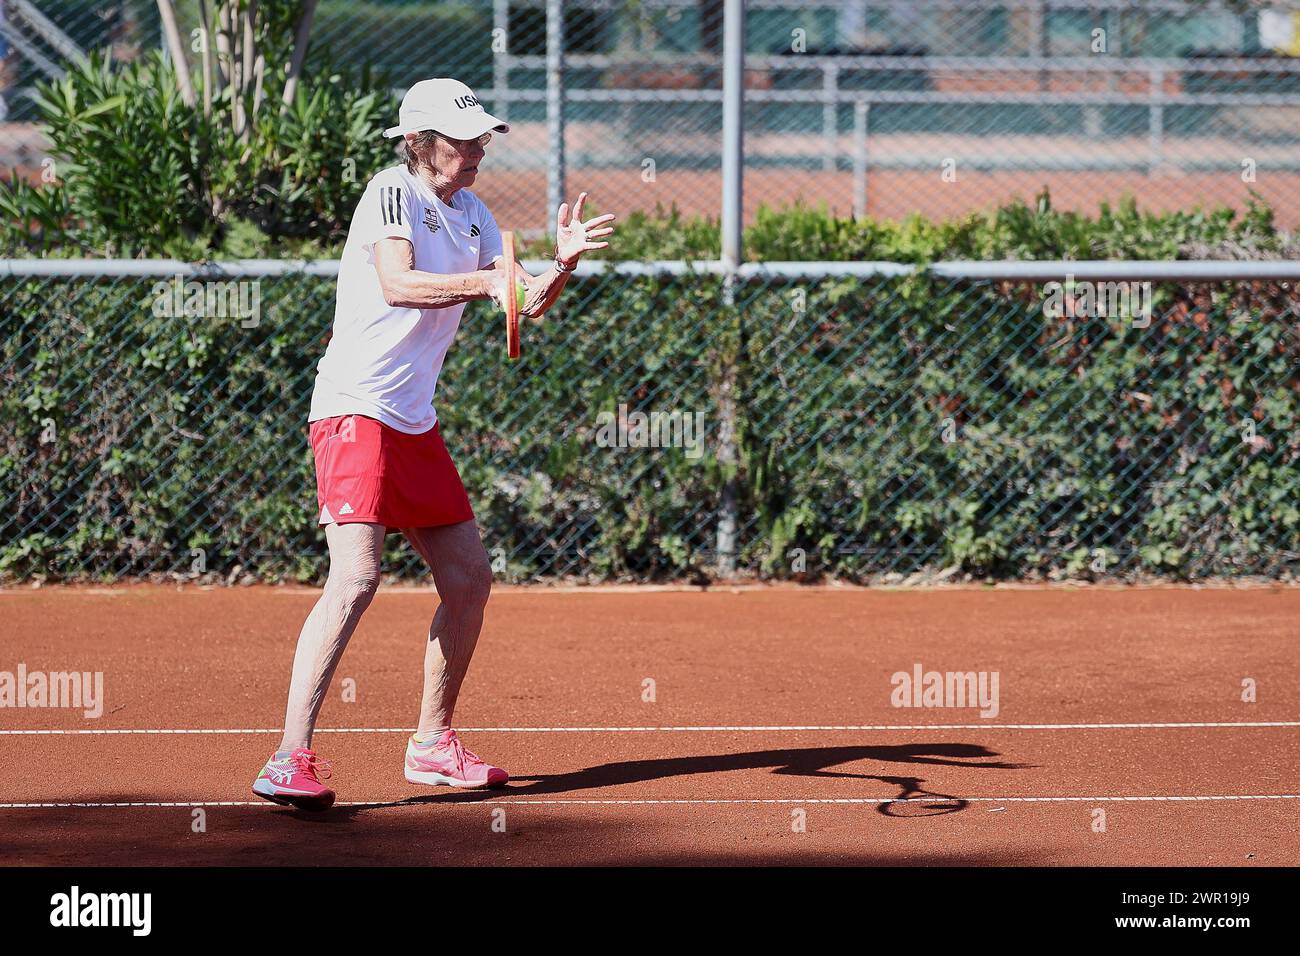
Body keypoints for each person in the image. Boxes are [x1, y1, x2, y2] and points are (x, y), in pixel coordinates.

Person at [252, 78, 616, 810]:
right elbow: (395, 283)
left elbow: (522, 301)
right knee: (356, 578)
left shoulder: (475, 214)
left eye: (483, 137)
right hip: (355, 407)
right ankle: (289, 756)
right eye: (463, 138)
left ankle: (432, 744)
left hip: (413, 420)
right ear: (420, 144)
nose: (479, 149)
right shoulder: (392, 191)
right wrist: (488, 282)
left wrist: (562, 265)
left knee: (469, 577)